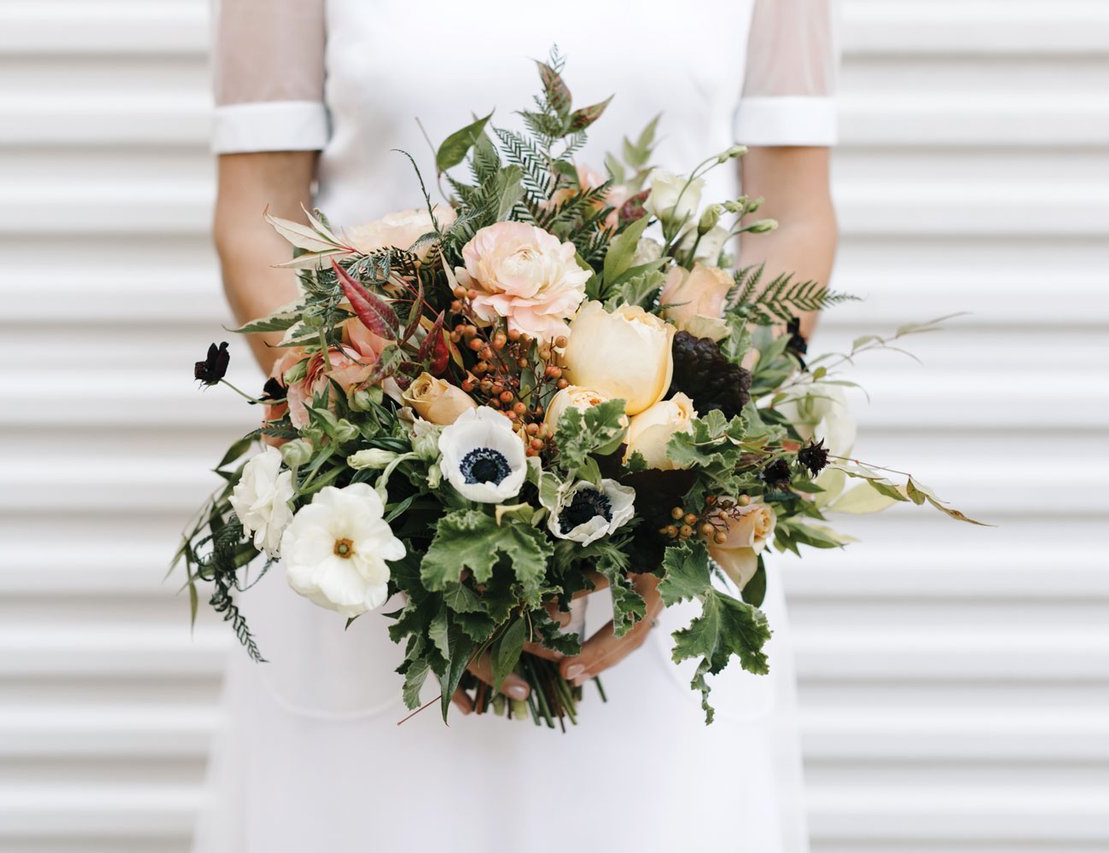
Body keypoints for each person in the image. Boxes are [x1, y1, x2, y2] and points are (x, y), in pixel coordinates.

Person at [197, 2, 837, 851]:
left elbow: (792, 218)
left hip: (652, 600)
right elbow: (256, 216)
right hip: (381, 567)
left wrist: (672, 492)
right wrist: (402, 497)